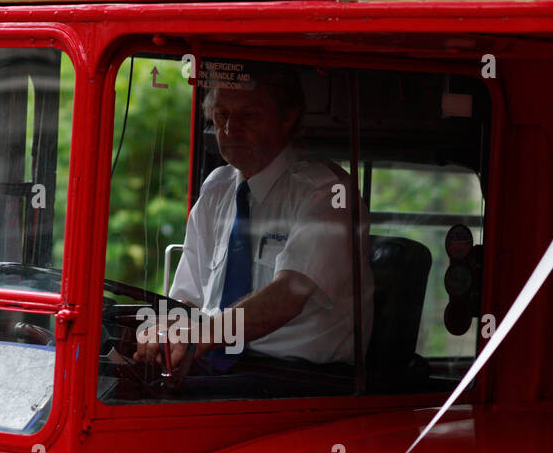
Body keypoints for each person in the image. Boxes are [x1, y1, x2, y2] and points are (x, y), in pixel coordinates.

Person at [135, 62, 374, 377]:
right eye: (221, 115)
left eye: (248, 115)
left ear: (287, 118)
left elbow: (290, 293)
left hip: (300, 379)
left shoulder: (327, 193)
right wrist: (166, 330)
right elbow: (188, 298)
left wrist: (202, 335)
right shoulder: (217, 190)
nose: (229, 130)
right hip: (216, 366)